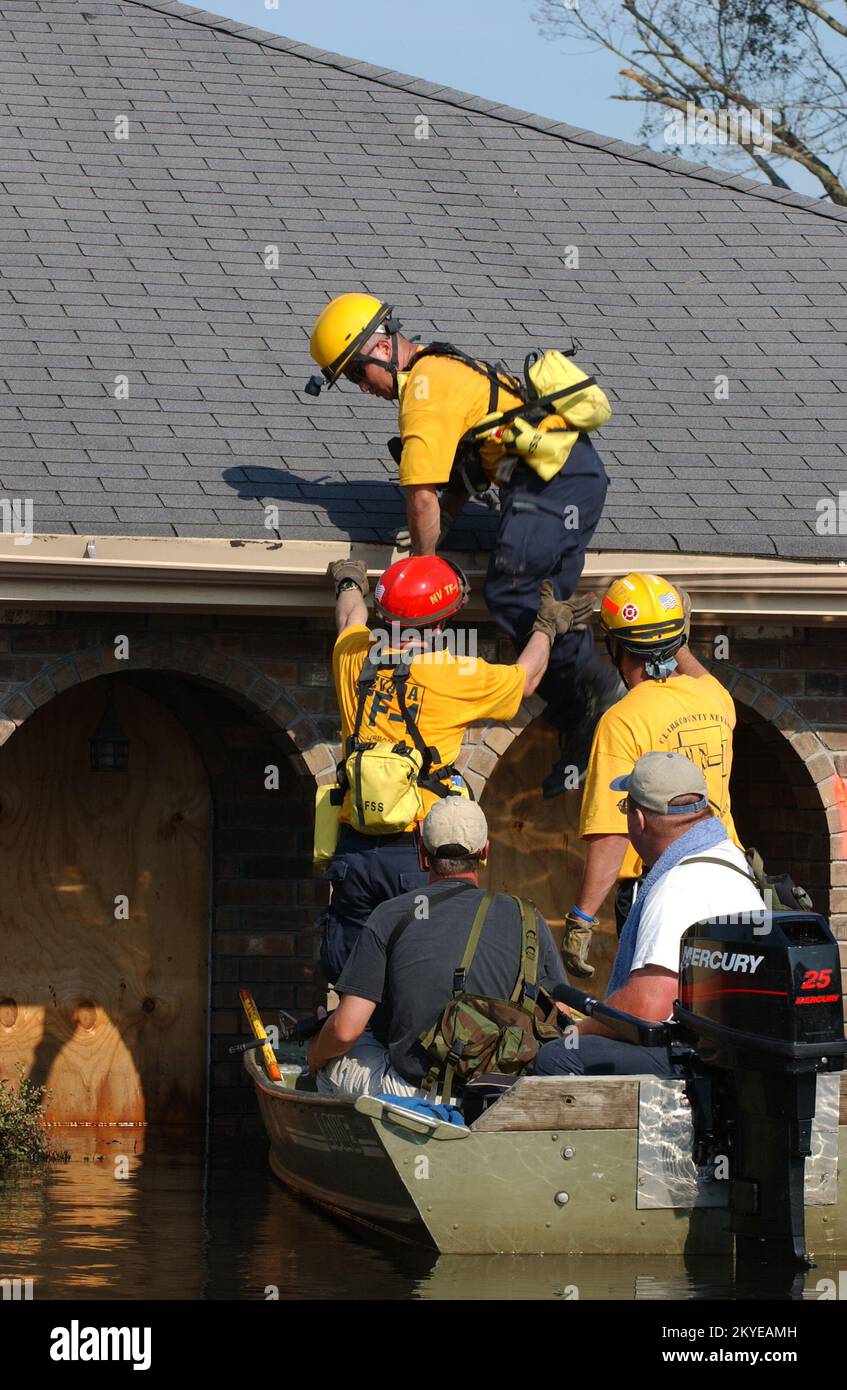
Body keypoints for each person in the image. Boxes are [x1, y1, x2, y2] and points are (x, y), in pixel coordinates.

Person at [305, 292, 621, 795]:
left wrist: (421, 572)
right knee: (544, 604)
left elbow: (423, 495)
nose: (362, 389)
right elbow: (459, 476)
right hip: (557, 478)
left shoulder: (424, 392)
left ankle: (601, 695)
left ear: (382, 348)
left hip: (553, 483)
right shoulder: (441, 368)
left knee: (513, 592)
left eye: (358, 374)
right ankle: (581, 721)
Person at [321, 551, 592, 982]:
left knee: (352, 972)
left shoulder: (354, 657)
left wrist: (349, 580)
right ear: (442, 623)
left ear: (383, 612)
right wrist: (547, 627)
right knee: (419, 969)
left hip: (356, 849)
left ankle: (354, 1043)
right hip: (420, 854)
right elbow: (526, 679)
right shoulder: (454, 673)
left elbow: (349, 618)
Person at [309, 798, 566, 1099]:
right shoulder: (527, 917)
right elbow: (559, 1013)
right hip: (500, 1093)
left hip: (414, 1094)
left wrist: (315, 1054)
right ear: (484, 852)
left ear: (421, 852)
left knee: (333, 1058)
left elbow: (344, 1031)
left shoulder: (391, 915)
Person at [535, 751, 767, 1078]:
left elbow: (649, 1006)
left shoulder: (679, 886)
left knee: (558, 1057)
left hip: (705, 1064)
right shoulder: (729, 859)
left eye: (626, 809)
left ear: (639, 820)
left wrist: (580, 1028)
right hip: (735, 1051)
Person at [563, 571, 743, 979]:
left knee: (653, 1007)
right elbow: (695, 670)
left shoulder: (623, 720)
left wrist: (582, 918)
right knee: (711, 1000)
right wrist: (674, 630)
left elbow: (613, 832)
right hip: (728, 874)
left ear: (615, 647)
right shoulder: (716, 698)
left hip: (657, 883)